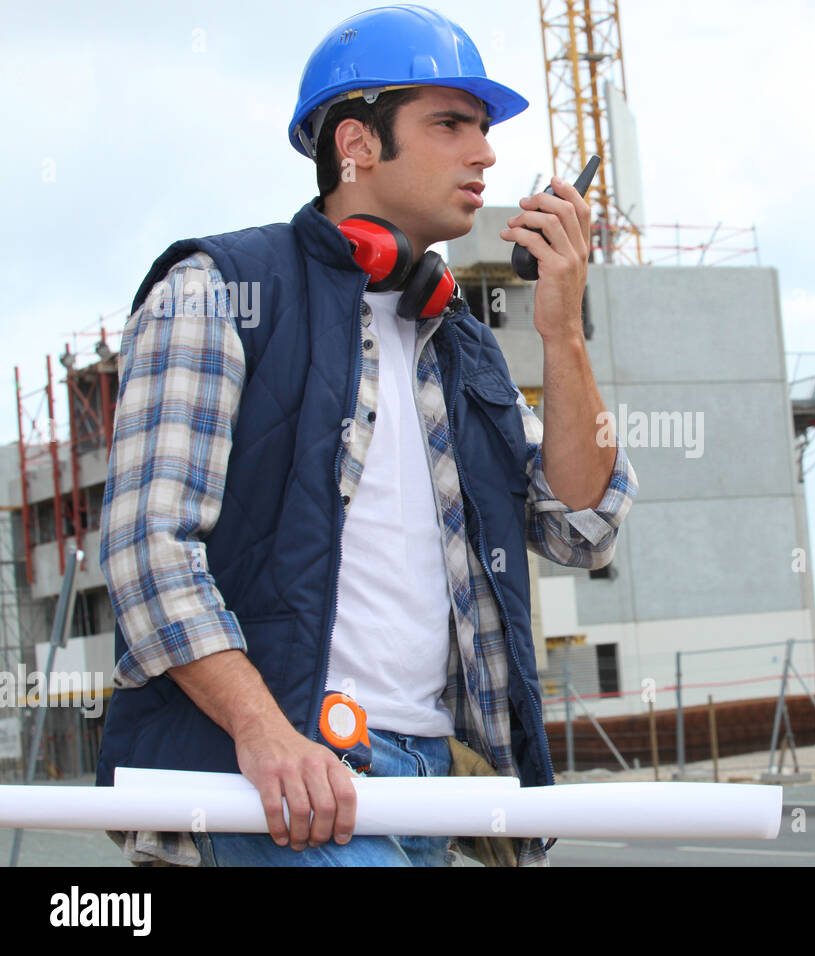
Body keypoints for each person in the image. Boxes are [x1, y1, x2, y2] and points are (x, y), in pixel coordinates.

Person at [94, 4, 637, 868]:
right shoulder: (217, 290)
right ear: (355, 143)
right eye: (451, 123)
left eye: (486, 128)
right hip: (283, 785)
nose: (486, 155)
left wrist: (563, 331)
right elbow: (146, 550)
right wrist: (267, 737)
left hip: (439, 788)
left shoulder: (457, 343)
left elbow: (583, 523)